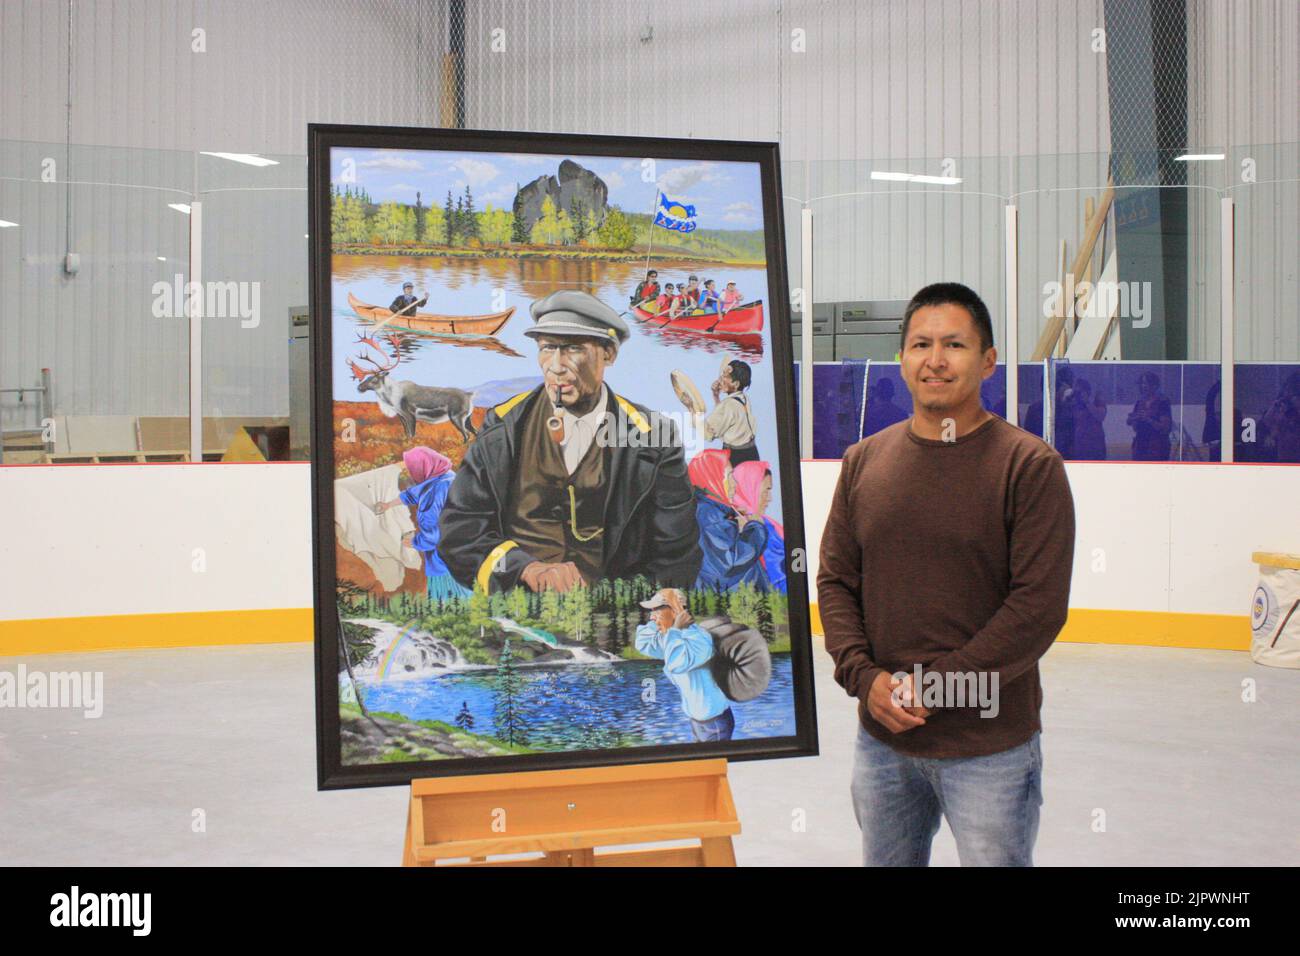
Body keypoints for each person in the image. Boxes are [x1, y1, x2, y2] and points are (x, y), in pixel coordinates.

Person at [818, 281, 1075, 867]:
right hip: (882, 739)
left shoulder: (1029, 466)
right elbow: (836, 581)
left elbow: (1036, 610)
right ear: (902, 358)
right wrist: (866, 681)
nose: (935, 360)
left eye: (954, 345)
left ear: (987, 360)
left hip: (989, 747)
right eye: (920, 344)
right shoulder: (865, 462)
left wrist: (931, 687)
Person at [439, 290, 702, 594]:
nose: (556, 365)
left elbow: (676, 556)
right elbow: (460, 532)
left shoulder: (654, 437)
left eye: (573, 349)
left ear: (609, 354)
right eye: (547, 348)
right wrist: (524, 568)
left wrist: (615, 608)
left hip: (615, 616)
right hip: (517, 611)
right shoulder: (504, 426)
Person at [634, 588, 734, 742]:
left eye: (658, 609)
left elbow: (677, 663)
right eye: (651, 610)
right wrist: (657, 622)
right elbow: (644, 644)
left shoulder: (698, 639)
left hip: (715, 723)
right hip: (697, 721)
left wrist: (674, 629)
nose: (651, 615)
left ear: (676, 611)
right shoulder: (671, 637)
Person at [377, 447, 470, 600]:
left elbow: (432, 535)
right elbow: (414, 494)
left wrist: (414, 542)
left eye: (413, 468)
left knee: (447, 598)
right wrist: (389, 505)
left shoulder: (432, 495)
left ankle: (448, 620)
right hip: (462, 551)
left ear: (422, 467)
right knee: (467, 593)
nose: (412, 473)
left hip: (443, 559)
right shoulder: (447, 477)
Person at [688, 449, 769, 591]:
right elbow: (732, 562)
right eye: (729, 476)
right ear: (713, 479)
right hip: (734, 605)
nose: (734, 484)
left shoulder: (711, 512)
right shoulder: (710, 516)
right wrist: (755, 528)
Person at [732, 460, 785, 594]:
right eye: (766, 491)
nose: (770, 498)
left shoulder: (769, 525)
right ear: (751, 489)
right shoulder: (735, 527)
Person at [696, 358, 759, 465]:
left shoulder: (728, 405)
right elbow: (725, 421)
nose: (721, 378)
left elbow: (708, 435)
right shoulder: (743, 398)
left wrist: (694, 415)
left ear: (736, 384)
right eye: (722, 374)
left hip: (735, 457)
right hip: (751, 453)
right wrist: (716, 396)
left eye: (726, 376)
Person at [1126, 371, 1173, 461]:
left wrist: (1148, 419)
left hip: (1157, 447)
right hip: (1140, 445)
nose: (1143, 386)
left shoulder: (1163, 402)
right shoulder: (1140, 402)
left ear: (1154, 385)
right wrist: (1133, 419)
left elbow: (1165, 428)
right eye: (1142, 383)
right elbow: (1131, 423)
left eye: (1145, 383)